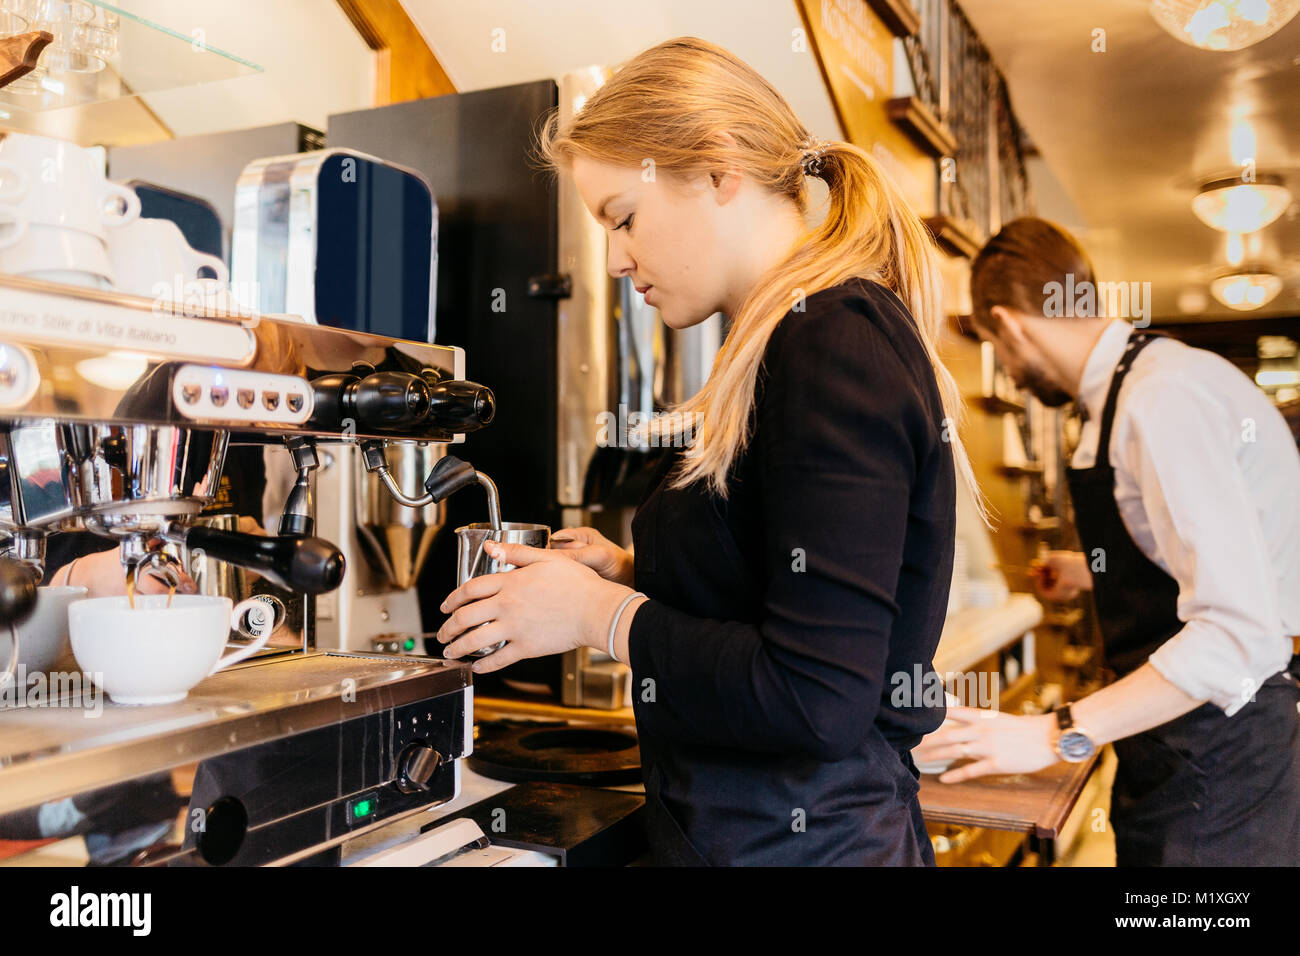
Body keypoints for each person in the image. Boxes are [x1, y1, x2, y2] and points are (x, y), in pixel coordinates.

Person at [437, 37, 979, 865]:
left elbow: (815, 696)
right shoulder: (791, 337)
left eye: (623, 218)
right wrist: (627, 569)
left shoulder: (830, 343)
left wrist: (596, 616)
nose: (616, 259)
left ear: (719, 169)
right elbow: (780, 579)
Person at [914, 217, 1300, 866]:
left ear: (1007, 324)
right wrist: (1093, 569)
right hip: (1169, 752)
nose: (1007, 374)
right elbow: (1198, 560)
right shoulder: (1127, 393)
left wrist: (1054, 733)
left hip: (1224, 763)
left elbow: (1240, 634)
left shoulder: (1161, 400)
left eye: (994, 349)